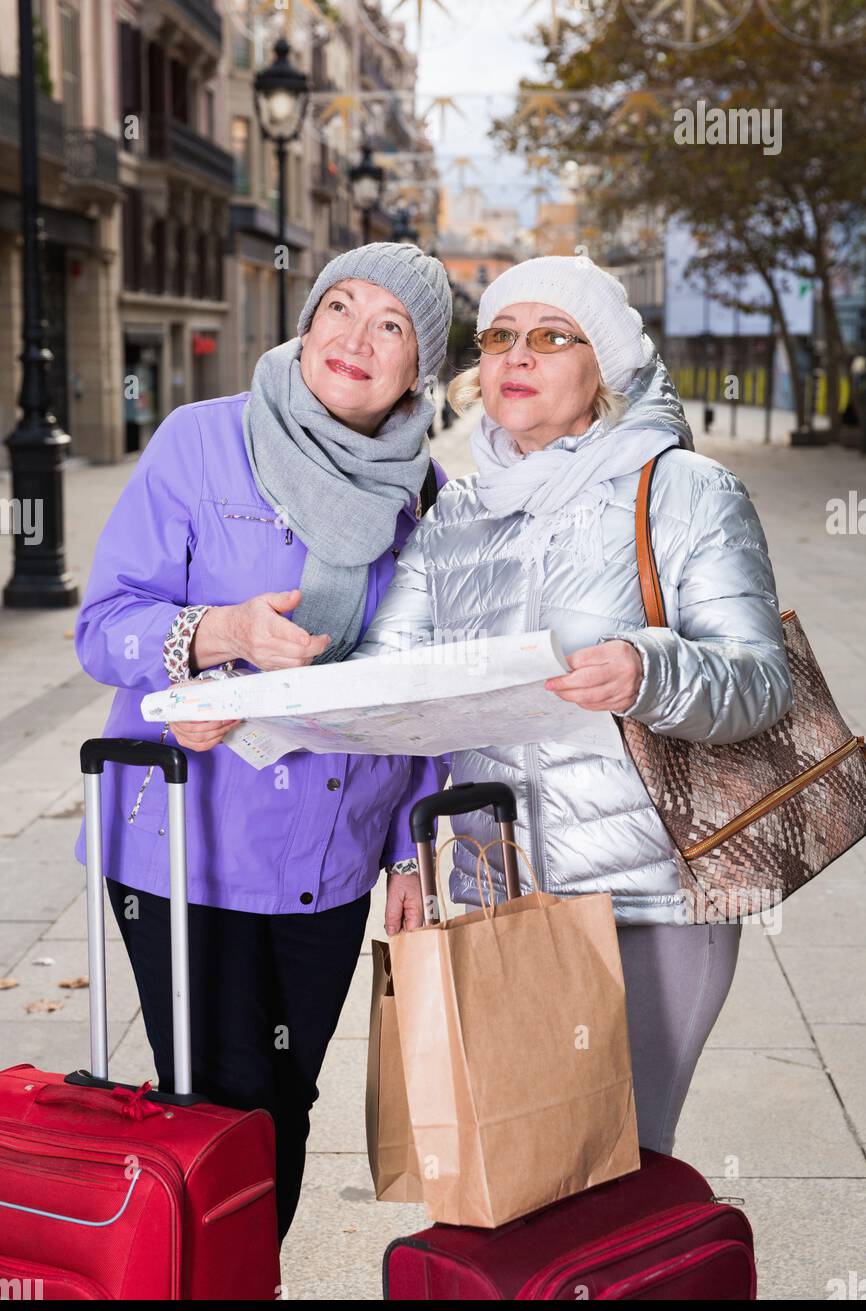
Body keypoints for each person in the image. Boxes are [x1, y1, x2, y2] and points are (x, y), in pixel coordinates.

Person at [352, 246, 794, 1157]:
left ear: (609, 369)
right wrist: (250, 696)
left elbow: (761, 680)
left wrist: (650, 671)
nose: (517, 356)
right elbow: (381, 683)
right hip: (488, 892)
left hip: (648, 899)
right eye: (501, 336)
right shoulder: (457, 514)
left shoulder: (684, 492)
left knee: (619, 1171)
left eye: (552, 337)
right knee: (507, 1173)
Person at [73, 242, 451, 1245]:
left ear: (420, 366)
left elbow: (433, 693)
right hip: (186, 843)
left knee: (283, 1102)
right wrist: (215, 636)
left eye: (390, 325)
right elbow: (102, 622)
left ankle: (230, 1275)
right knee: (220, 1103)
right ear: (306, 316)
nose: (353, 337)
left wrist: (413, 844)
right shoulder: (203, 440)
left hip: (328, 859)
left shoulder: (430, 496)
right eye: (339, 306)